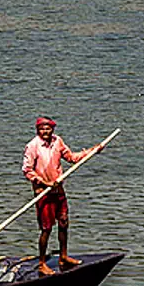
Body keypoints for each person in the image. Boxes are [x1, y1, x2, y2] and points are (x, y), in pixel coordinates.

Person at [22, 117, 101, 276]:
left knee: (64, 222)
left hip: (58, 191)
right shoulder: (32, 146)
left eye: (48, 129)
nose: (45, 132)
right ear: (38, 130)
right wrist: (44, 182)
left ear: (53, 130)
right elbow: (27, 170)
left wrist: (92, 151)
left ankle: (63, 257)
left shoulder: (57, 142)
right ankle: (42, 263)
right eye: (42, 129)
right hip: (43, 193)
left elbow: (72, 158)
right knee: (46, 229)